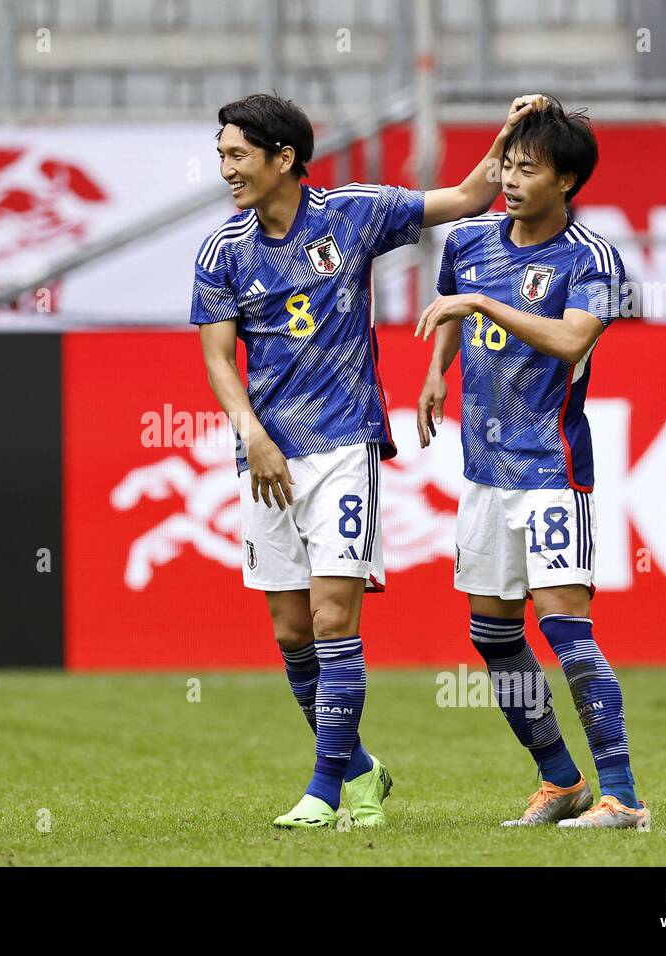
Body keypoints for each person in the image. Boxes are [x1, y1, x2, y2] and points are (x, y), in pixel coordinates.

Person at [192, 91, 548, 829]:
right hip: (265, 456)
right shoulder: (223, 250)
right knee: (290, 630)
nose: (224, 168)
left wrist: (512, 128)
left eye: (236, 154)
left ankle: (325, 793)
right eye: (221, 154)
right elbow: (219, 357)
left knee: (331, 619)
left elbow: (471, 194)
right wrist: (249, 431)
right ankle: (360, 769)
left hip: (345, 444)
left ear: (282, 159)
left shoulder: (351, 212)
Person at [415, 97, 649, 830]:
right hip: (484, 472)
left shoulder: (593, 257)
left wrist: (480, 303)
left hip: (552, 470)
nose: (509, 182)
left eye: (527, 170)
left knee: (564, 625)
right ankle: (561, 781)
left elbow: (571, 341)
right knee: (492, 635)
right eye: (507, 167)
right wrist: (435, 373)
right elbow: (453, 309)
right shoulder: (470, 241)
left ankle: (623, 798)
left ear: (567, 182)